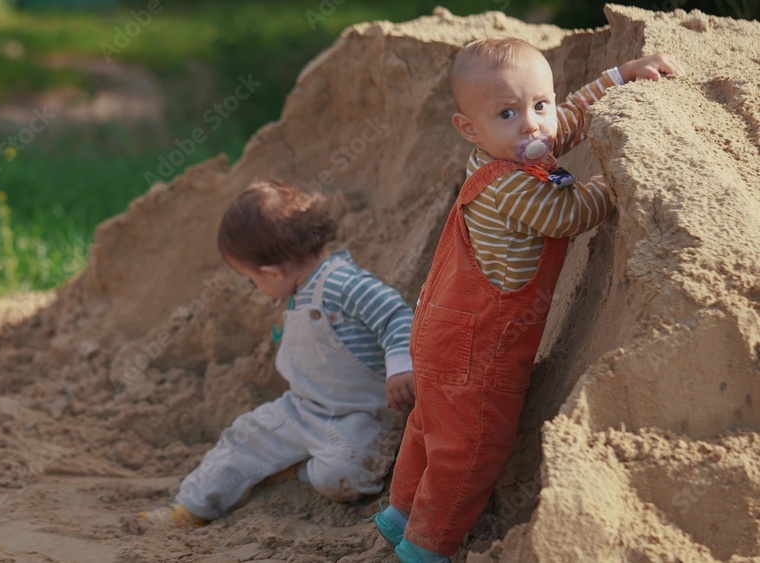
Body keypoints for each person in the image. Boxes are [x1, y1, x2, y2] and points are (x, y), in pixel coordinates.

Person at [373, 38, 686, 562]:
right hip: (477, 349)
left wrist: (620, 76)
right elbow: (568, 214)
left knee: (430, 424)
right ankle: (426, 546)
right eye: (507, 113)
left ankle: (399, 514)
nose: (532, 125)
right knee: (469, 448)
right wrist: (612, 184)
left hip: (442, 330)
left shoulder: (505, 150)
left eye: (538, 104)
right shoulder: (511, 187)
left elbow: (565, 121)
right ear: (468, 128)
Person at [138, 179, 416, 527]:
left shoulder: (343, 283)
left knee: (343, 475)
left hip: (359, 417)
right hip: (303, 407)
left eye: (253, 279)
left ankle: (297, 469)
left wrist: (400, 364)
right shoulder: (298, 287)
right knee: (243, 437)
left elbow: (395, 314)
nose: (258, 288)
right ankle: (192, 505)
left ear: (273, 271)